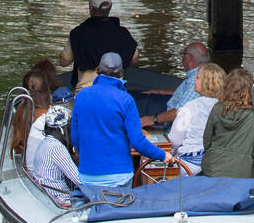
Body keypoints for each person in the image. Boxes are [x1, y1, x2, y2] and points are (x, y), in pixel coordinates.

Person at [70, 52, 175, 193]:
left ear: (98, 69)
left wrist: (89, 158)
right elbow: (138, 142)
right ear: (121, 72)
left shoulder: (81, 96)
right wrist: (163, 155)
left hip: (88, 174)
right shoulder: (126, 100)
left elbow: (76, 138)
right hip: (118, 176)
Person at [59, 0, 139, 90]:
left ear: (91, 8)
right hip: (115, 93)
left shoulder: (77, 33)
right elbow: (135, 60)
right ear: (110, 7)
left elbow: (63, 62)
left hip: (85, 92)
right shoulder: (123, 33)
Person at [201, 67, 254, 179]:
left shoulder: (217, 108)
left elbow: (207, 140)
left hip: (212, 167)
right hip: (242, 171)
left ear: (227, 87)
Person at [168, 64, 226, 175]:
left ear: (206, 82)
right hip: (216, 163)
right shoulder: (225, 107)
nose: (194, 79)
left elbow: (175, 141)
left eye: (198, 77)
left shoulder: (190, 107)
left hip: (189, 166)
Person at [138, 42, 211, 128]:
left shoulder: (194, 80)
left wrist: (153, 119)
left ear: (189, 57)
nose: (182, 58)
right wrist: (160, 91)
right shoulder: (203, 76)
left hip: (174, 128)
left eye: (183, 54)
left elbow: (181, 112)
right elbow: (188, 94)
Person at [32, 104, 80, 207]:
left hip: (47, 193)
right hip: (60, 197)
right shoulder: (57, 148)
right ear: (62, 129)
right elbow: (78, 179)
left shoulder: (44, 143)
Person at [11, 70, 52, 170]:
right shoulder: (44, 116)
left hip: (21, 154)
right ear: (47, 91)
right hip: (35, 161)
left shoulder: (20, 111)